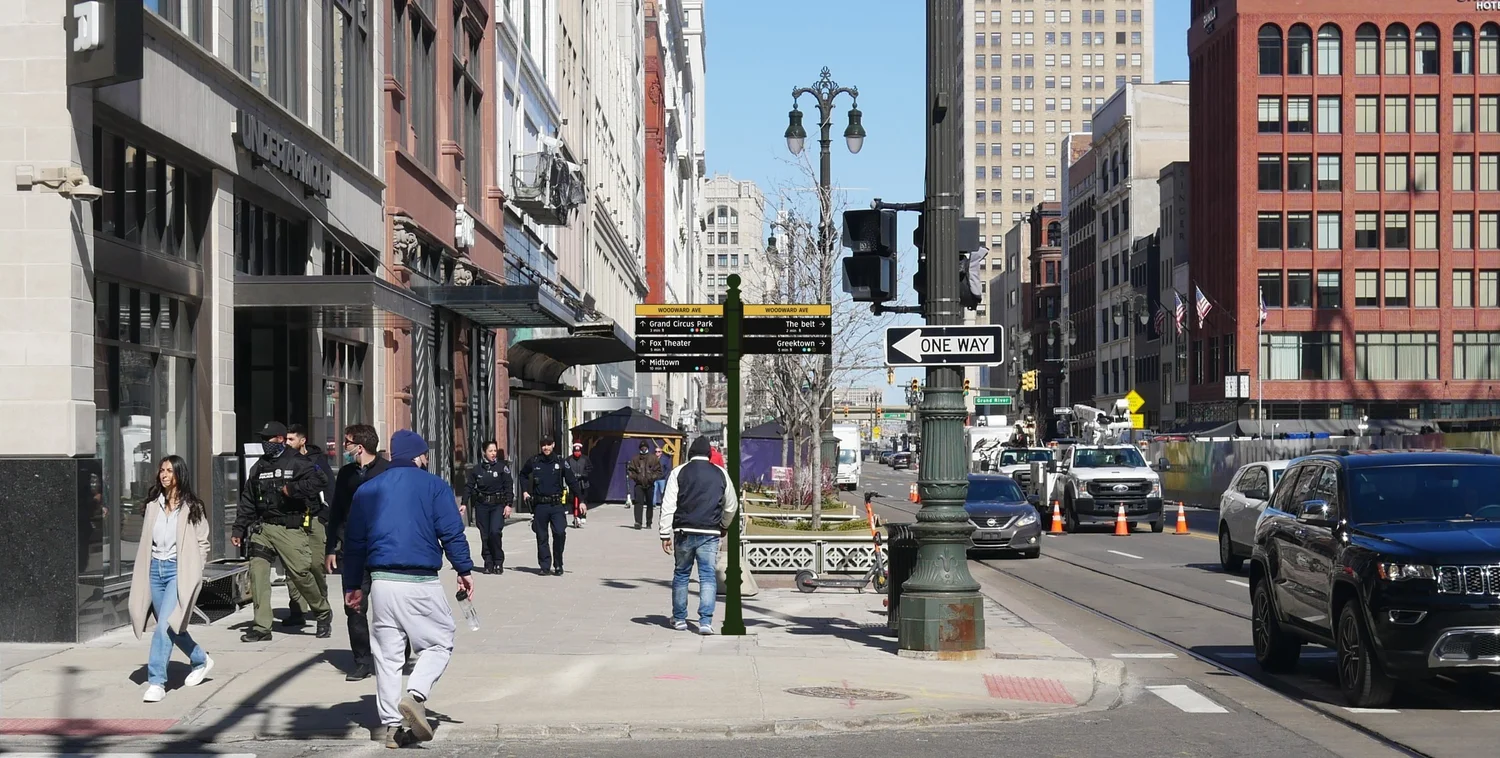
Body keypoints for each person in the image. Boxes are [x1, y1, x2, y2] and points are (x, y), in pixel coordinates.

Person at [342, 430, 474, 749]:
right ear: (417, 456)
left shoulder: (367, 489)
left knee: (387, 657)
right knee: (440, 642)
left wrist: (352, 585)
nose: (427, 458)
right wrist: (464, 570)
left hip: (383, 582)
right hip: (420, 581)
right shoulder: (434, 486)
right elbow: (451, 532)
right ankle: (415, 696)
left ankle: (391, 727)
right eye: (424, 453)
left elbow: (354, 542)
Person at [232, 421, 333, 642]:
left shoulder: (297, 461)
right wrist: (239, 528)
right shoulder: (258, 467)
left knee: (300, 574)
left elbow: (320, 480)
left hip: (290, 528)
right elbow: (248, 500)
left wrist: (294, 489)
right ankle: (262, 627)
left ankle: (323, 612)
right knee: (258, 573)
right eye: (263, 439)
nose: (264, 443)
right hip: (263, 528)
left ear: (279, 439)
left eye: (268, 439)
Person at [128, 455, 215, 702]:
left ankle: (157, 681)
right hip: (155, 570)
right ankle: (201, 659)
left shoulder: (192, 507)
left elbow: (202, 542)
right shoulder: (152, 505)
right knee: (172, 626)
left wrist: (195, 570)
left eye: (169, 471)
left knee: (164, 627)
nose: (164, 475)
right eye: (161, 471)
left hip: (178, 571)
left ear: (179, 474)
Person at [324, 424, 390, 681]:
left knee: (389, 606)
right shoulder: (346, 474)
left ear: (359, 447)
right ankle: (361, 660)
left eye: (347, 443)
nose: (344, 447)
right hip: (353, 551)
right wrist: (331, 548)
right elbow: (337, 512)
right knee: (354, 605)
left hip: (384, 549)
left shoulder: (388, 471)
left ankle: (396, 652)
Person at [659, 437, 740, 635]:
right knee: (707, 577)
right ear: (709, 454)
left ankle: (679, 618)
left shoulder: (678, 472)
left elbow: (668, 504)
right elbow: (732, 505)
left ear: (690, 453)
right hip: (710, 532)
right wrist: (724, 525)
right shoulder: (720, 473)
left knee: (681, 575)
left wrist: (664, 532)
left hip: (683, 531)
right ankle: (705, 621)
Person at [283, 424, 333, 630]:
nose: (287, 443)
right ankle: (297, 610)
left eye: (291, 439)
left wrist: (323, 517)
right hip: (292, 520)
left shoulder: (317, 461)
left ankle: (322, 605)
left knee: (314, 565)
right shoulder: (284, 462)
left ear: (302, 441)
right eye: (285, 439)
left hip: (314, 519)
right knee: (293, 568)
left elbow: (330, 491)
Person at [519, 437, 582, 575]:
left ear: (553, 445)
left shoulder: (560, 462)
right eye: (543, 445)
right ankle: (544, 566)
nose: (546, 448)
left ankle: (558, 563)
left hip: (556, 505)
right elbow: (523, 474)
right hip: (540, 505)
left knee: (560, 533)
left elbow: (571, 481)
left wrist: (581, 500)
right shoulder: (534, 461)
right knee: (542, 537)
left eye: (548, 445)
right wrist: (524, 491)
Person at [466, 440, 514, 574]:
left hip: (497, 505)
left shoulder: (501, 468)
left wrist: (508, 504)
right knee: (485, 535)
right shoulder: (477, 469)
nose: (493, 454)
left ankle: (498, 561)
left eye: (495, 451)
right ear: (484, 452)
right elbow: (469, 487)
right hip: (482, 506)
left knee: (495, 532)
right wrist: (464, 503)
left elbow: (508, 486)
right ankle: (488, 562)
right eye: (490, 451)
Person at [626, 442, 663, 530]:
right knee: (638, 503)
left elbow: (659, 471)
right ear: (640, 448)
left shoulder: (653, 458)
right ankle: (638, 522)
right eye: (642, 447)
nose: (643, 448)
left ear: (647, 448)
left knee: (650, 504)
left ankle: (649, 523)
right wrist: (636, 477)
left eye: (645, 447)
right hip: (639, 484)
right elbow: (630, 471)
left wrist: (652, 478)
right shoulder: (635, 459)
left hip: (650, 484)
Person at [566, 442, 593, 528]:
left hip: (583, 484)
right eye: (575, 451)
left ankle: (583, 515)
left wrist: (583, 474)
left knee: (583, 500)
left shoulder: (585, 459)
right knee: (572, 500)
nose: (577, 452)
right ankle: (575, 516)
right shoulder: (568, 459)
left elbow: (590, 469)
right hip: (573, 484)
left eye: (578, 451)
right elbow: (566, 470)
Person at [652, 444, 674, 514]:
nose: (657, 453)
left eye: (658, 451)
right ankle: (653, 504)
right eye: (656, 451)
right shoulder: (652, 459)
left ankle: (663, 504)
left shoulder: (664, 460)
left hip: (662, 479)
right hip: (654, 478)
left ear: (661, 452)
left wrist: (664, 475)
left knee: (662, 492)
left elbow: (667, 469)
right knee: (653, 492)